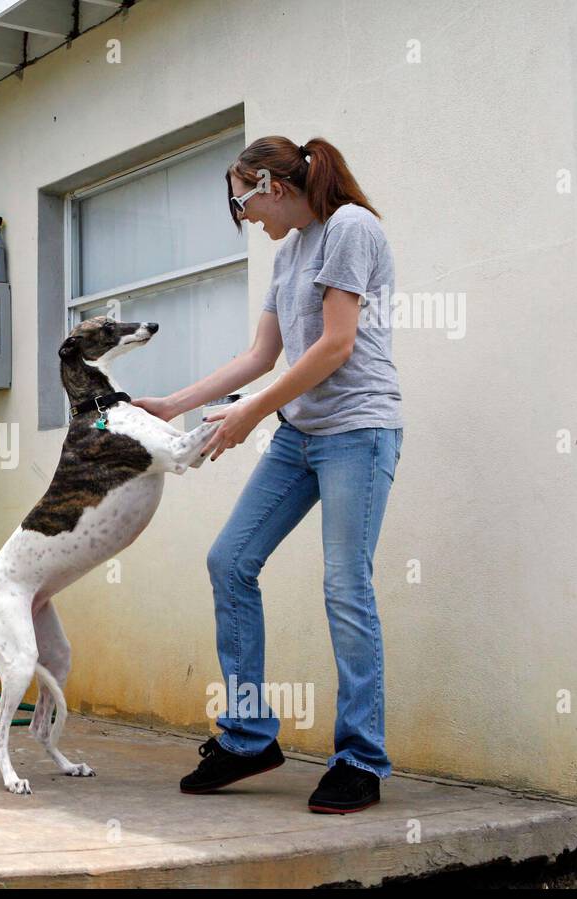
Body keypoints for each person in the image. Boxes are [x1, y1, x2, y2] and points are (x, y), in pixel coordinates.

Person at [133, 136, 403, 814]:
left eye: (240, 200)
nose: (243, 215)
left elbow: (337, 345)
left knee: (345, 584)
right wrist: (174, 403)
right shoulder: (288, 256)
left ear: (268, 184)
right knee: (231, 560)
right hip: (301, 436)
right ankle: (250, 738)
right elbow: (261, 355)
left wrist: (250, 415)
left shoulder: (350, 227)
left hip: (358, 434)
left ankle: (361, 759)